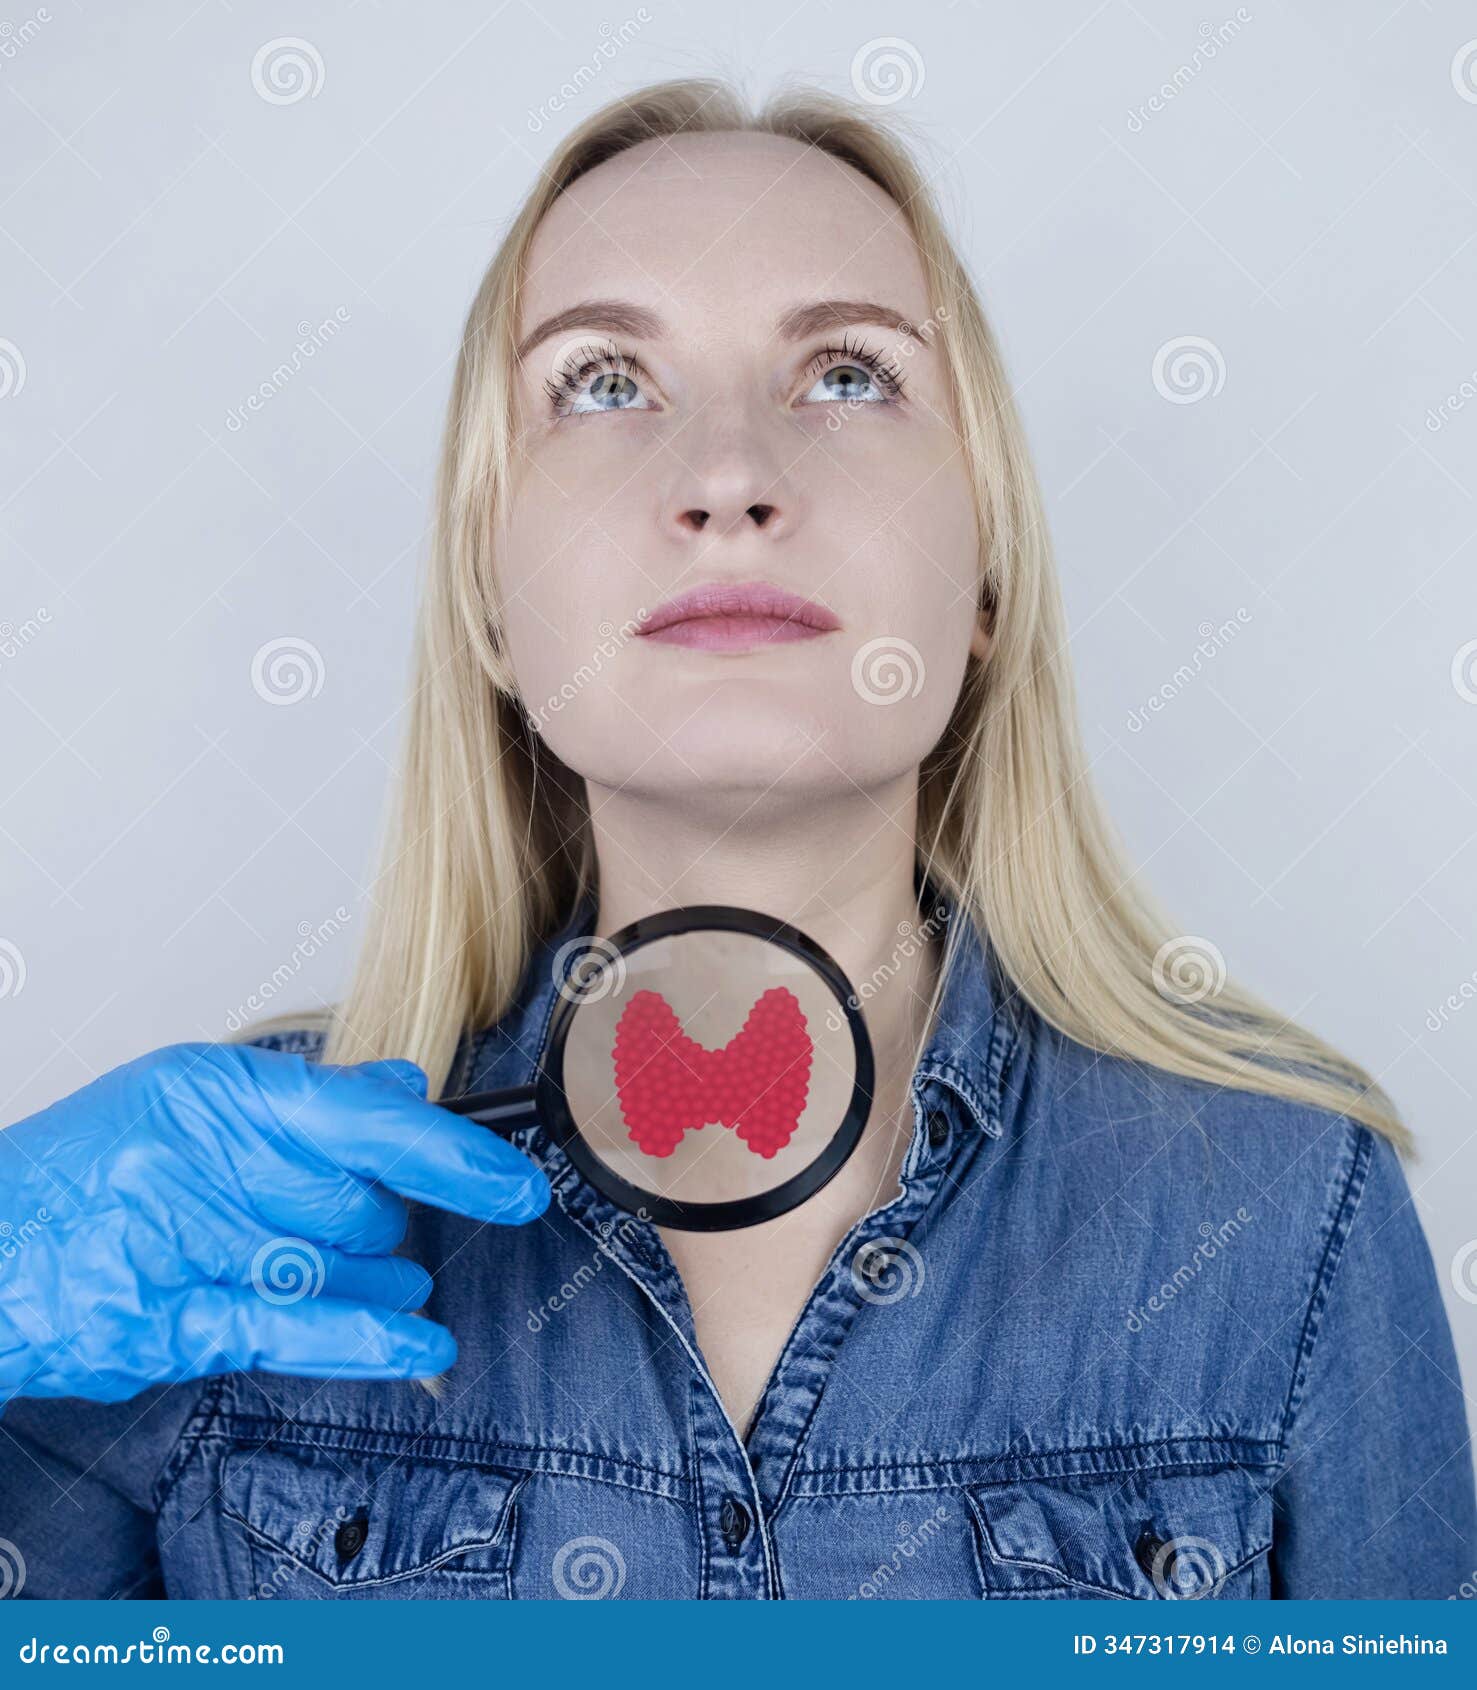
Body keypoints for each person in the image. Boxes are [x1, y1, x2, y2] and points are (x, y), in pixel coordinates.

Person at [1, 78, 1471, 1601]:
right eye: (601, 381)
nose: (726, 477)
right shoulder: (202, 1235)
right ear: (491, 603)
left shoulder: (1285, 1219)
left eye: (845, 374)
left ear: (984, 577)